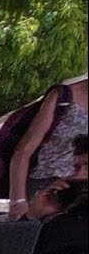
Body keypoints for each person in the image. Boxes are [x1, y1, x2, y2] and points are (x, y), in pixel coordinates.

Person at [7, 78, 88, 221]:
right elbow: (24, 150)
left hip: (81, 187)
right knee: (43, 236)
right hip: (47, 187)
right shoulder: (65, 96)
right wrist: (17, 201)